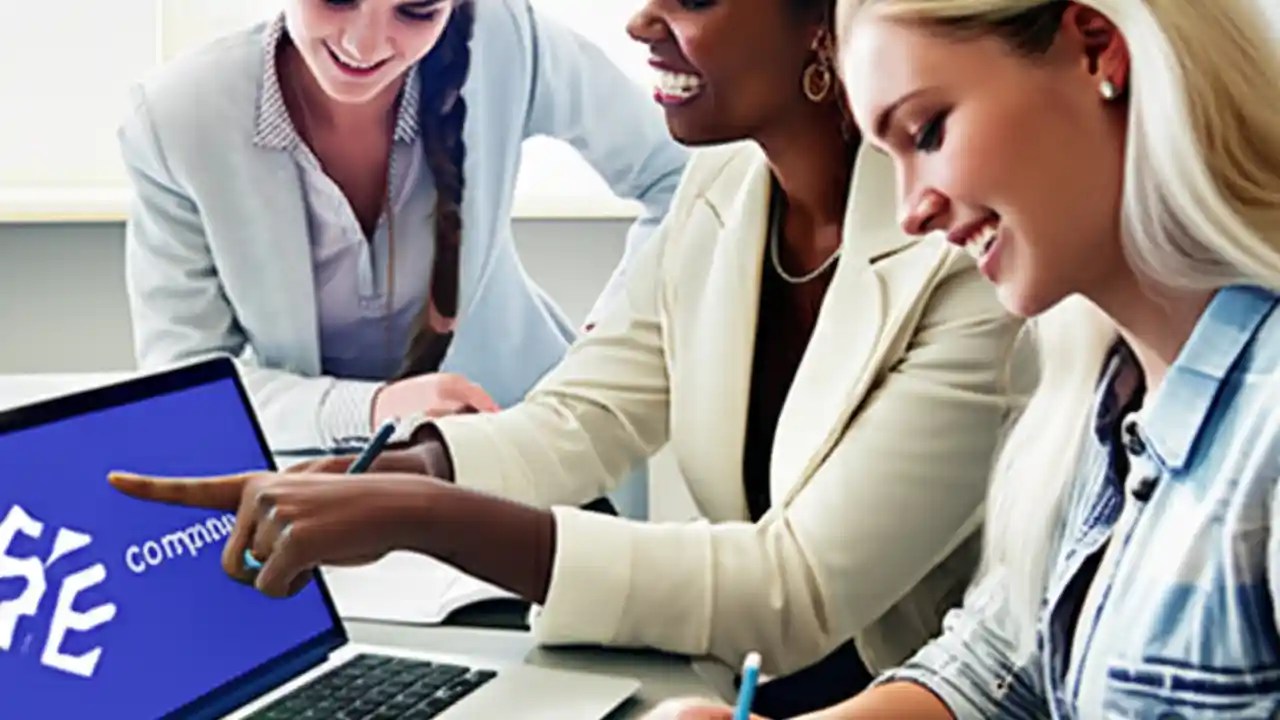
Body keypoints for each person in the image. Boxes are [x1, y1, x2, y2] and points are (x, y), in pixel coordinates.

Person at [108, 0, 1032, 714]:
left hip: (906, 694)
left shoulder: (969, 251)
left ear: (824, 28)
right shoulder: (724, 184)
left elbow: (793, 590)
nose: (640, 22)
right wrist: (404, 466)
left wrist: (426, 513)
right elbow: (586, 416)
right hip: (741, 677)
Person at [643, 0, 1280, 718]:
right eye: (889, 158)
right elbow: (995, 671)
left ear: (1096, 50)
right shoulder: (1099, 401)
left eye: (928, 132)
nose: (911, 211)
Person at [119, 0, 688, 457]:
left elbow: (679, 176)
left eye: (416, 10)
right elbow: (186, 394)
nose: (364, 46)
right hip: (321, 481)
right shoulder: (178, 117)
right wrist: (374, 409)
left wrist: (613, 337)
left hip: (535, 453)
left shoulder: (504, 39)